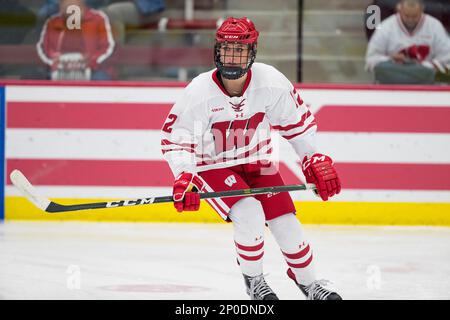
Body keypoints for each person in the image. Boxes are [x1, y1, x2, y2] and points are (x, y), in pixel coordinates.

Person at [160, 17, 342, 300]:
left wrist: (312, 158)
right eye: (227, 49)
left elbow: (299, 126)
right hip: (214, 167)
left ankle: (309, 283)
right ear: (217, 51)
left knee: (287, 224)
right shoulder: (199, 92)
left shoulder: (271, 82)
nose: (232, 58)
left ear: (252, 52)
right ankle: (254, 282)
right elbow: (176, 140)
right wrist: (185, 175)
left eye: (240, 50)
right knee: (249, 213)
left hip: (259, 162)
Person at [365, 0, 450, 84]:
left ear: (422, 10)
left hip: (426, 81)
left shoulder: (435, 26)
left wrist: (423, 66)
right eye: (407, 15)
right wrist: (390, 59)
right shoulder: (386, 27)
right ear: (399, 10)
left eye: (414, 16)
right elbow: (371, 60)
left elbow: (447, 57)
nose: (410, 19)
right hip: (393, 79)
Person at [36, 0, 116, 80]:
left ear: (82, 4)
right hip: (58, 69)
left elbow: (108, 47)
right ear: (60, 6)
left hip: (93, 69)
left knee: (101, 78)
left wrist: (91, 62)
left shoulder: (98, 19)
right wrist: (53, 61)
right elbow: (43, 48)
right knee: (38, 78)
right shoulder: (52, 22)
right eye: (65, 3)